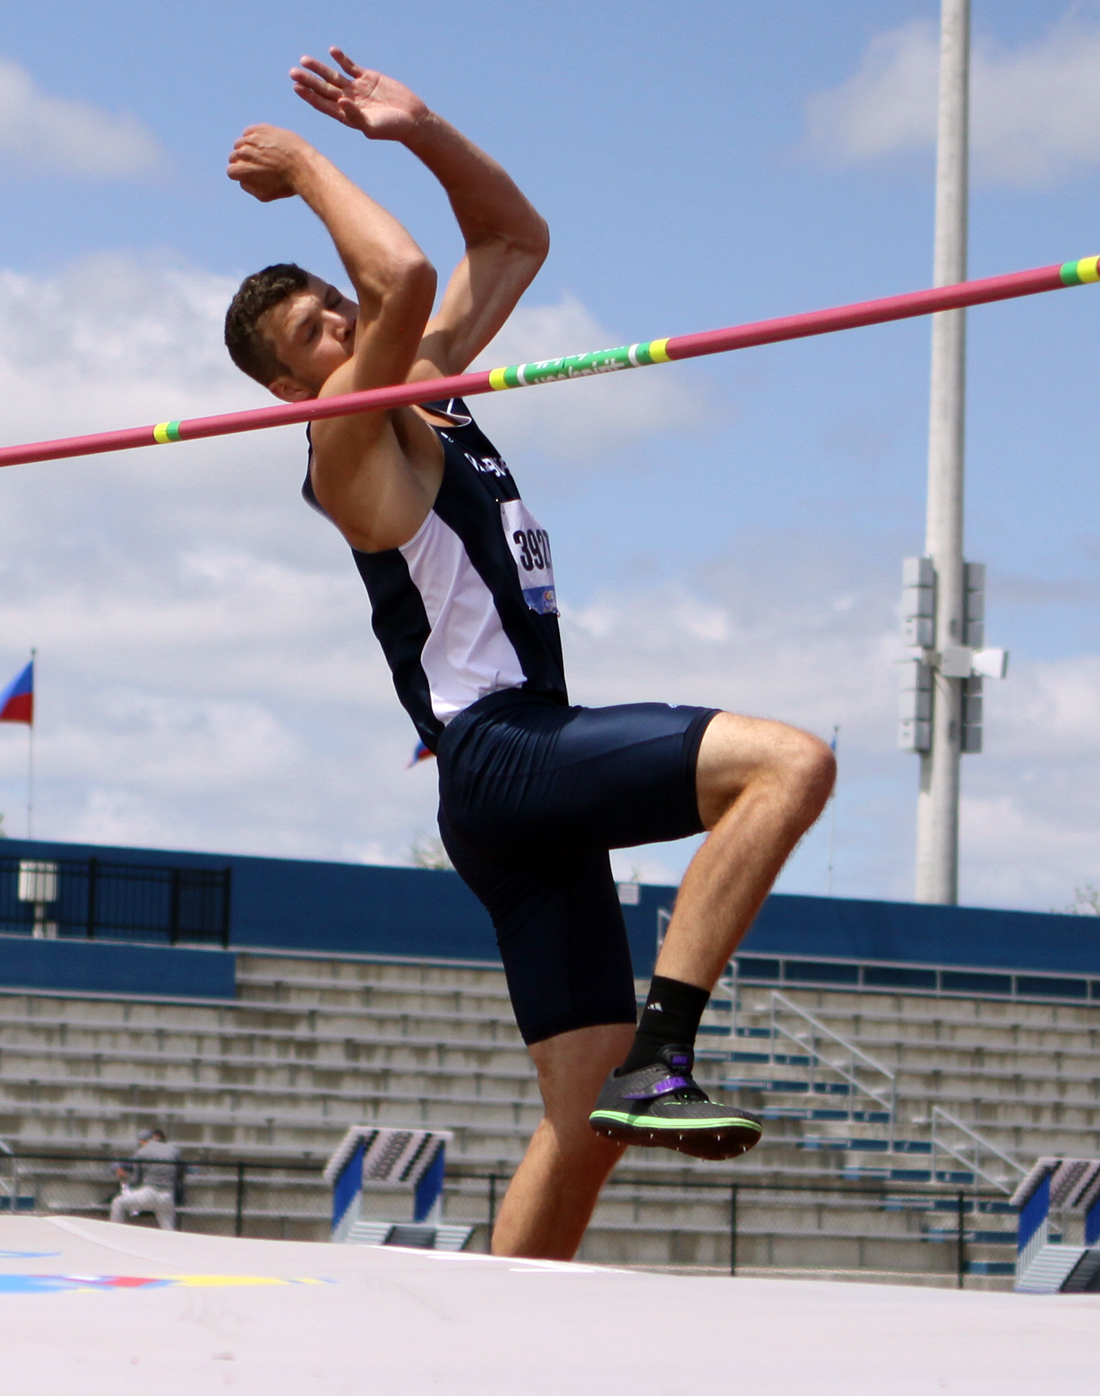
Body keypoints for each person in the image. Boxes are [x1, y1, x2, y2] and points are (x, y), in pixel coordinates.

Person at [224, 50, 835, 1262]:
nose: (342, 322)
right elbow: (396, 271)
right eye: (315, 330)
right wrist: (304, 165)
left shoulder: (428, 397)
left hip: (513, 784)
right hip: (500, 752)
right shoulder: (346, 451)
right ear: (291, 382)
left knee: (577, 1128)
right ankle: (667, 1052)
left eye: (335, 311)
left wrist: (421, 128)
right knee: (788, 764)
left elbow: (513, 238)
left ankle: (490, 1349)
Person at [109, 1128, 181, 1230]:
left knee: (118, 1203)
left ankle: (114, 1233)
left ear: (142, 1141)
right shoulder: (173, 1149)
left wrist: (126, 1178)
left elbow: (136, 1180)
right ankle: (172, 1245)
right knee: (168, 1227)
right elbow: (179, 1171)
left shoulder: (141, 1152)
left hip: (149, 1192)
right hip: (167, 1195)